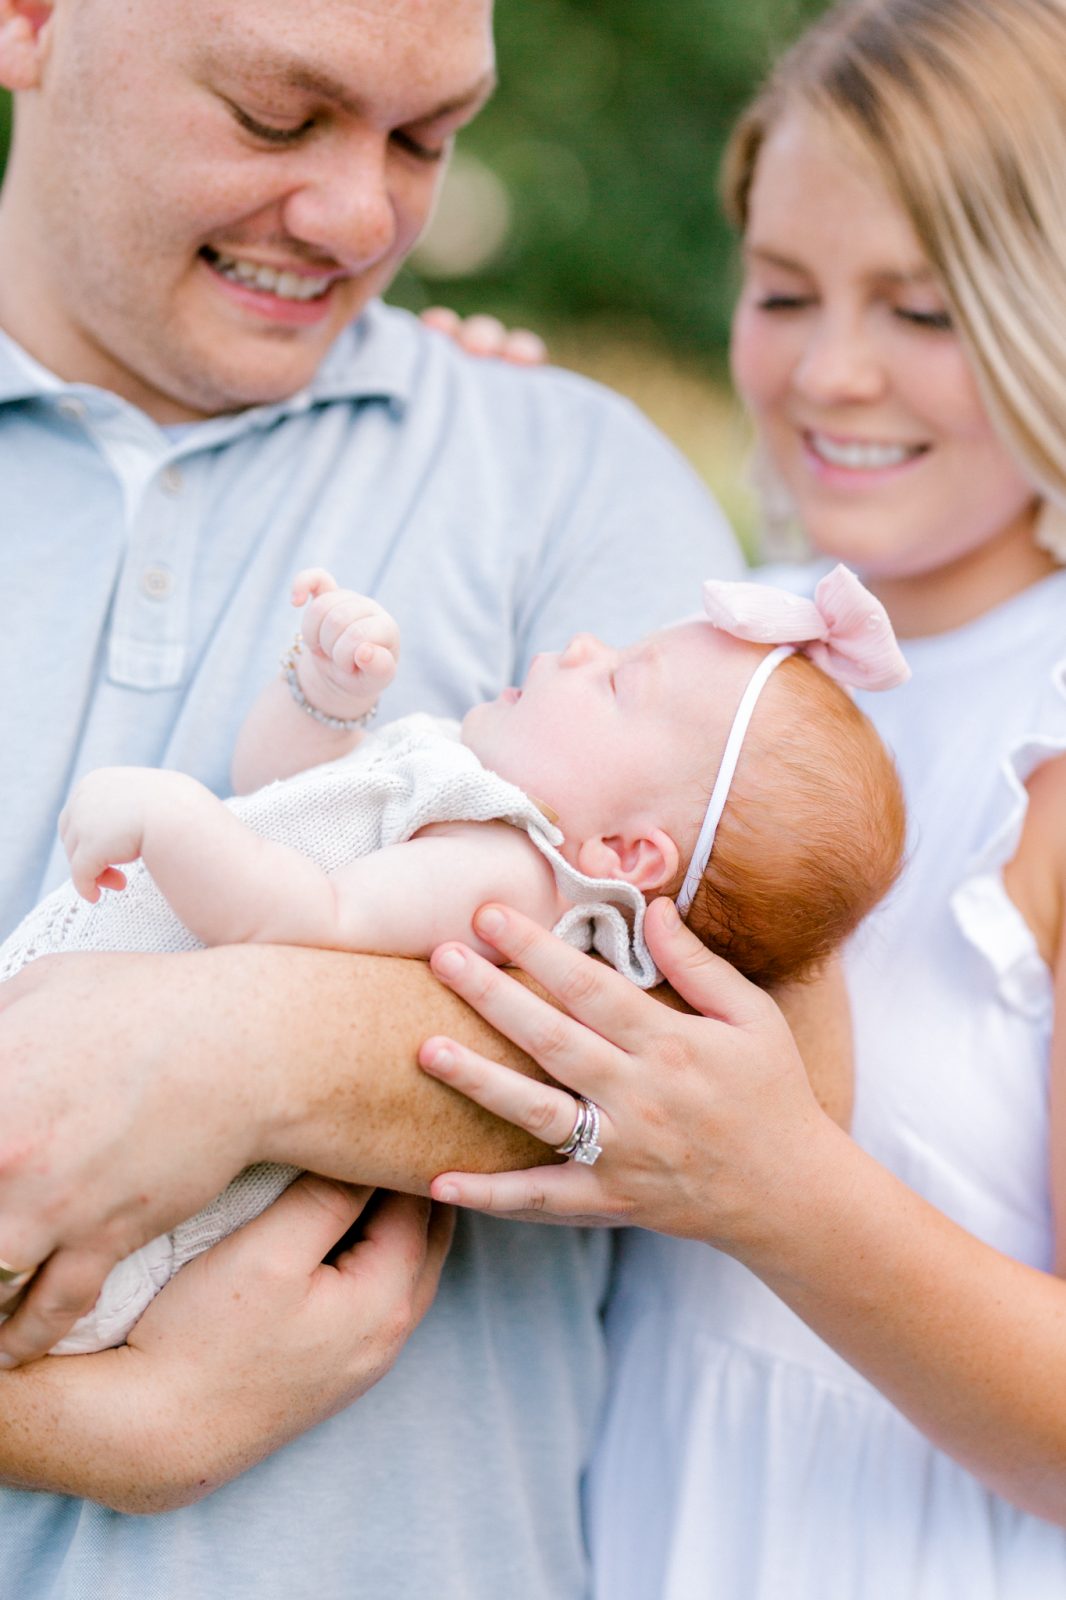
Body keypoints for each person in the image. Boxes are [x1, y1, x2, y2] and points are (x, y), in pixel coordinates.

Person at [0, 0, 799, 1593]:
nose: (363, 216)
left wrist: (209, 1049)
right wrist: (92, 1430)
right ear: (30, 21)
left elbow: (757, 1068)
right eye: (275, 116)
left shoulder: (572, 477)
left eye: (428, 137)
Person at [408, 0, 1066, 1594]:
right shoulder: (691, 640)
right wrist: (460, 442)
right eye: (781, 292)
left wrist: (780, 1192)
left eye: (920, 309)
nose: (830, 371)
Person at [0, 562, 906, 1353]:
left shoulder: (510, 873)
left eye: (623, 682)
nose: (585, 647)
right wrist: (324, 696)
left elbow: (304, 911)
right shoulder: (471, 790)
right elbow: (291, 801)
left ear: (625, 858)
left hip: (115, 1220)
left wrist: (170, 819)